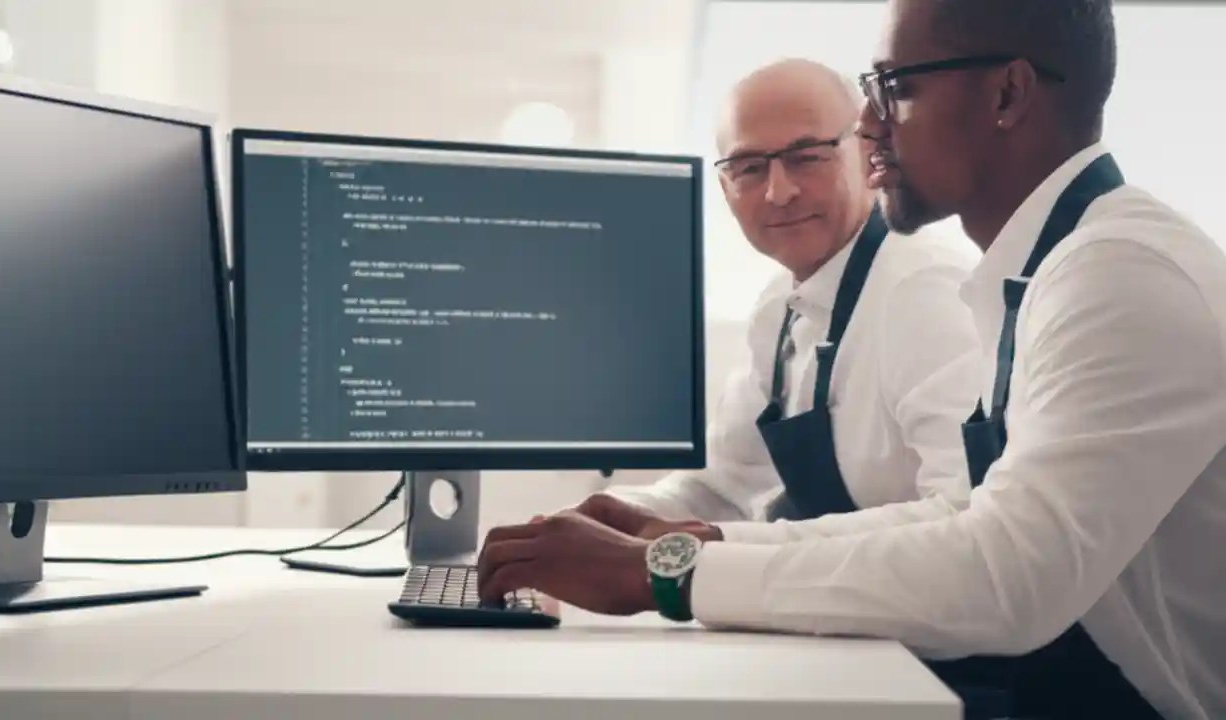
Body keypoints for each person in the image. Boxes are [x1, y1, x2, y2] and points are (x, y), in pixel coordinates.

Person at [477, 1, 1226, 718]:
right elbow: (967, 516)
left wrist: (665, 573)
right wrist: (692, 542)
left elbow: (1007, 571)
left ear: (1007, 93)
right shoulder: (1045, 273)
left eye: (894, 89)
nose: (868, 127)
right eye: (747, 167)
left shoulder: (1117, 274)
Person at [578, 57, 981, 540]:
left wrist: (722, 546)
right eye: (749, 168)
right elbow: (723, 489)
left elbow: (964, 517)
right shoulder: (780, 309)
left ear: (869, 153)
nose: (778, 192)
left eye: (806, 157)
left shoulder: (925, 291)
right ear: (725, 188)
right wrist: (601, 518)